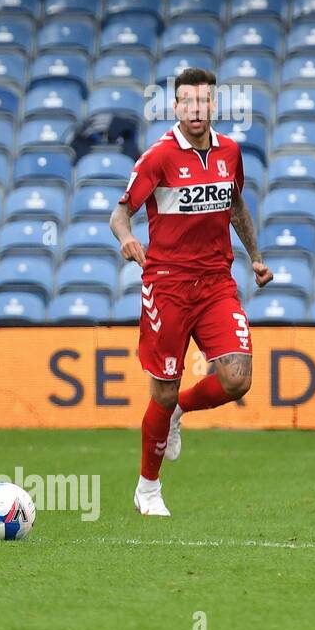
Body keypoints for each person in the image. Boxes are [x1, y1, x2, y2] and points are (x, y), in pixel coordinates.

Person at [109, 67, 272, 517]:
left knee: (238, 377)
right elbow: (120, 214)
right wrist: (126, 237)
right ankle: (148, 488)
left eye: (202, 102)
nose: (195, 110)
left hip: (217, 283)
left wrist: (255, 257)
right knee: (161, 392)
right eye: (186, 102)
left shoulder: (230, 152)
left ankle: (181, 410)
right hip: (168, 286)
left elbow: (235, 204)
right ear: (176, 106)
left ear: (212, 105)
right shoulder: (158, 157)